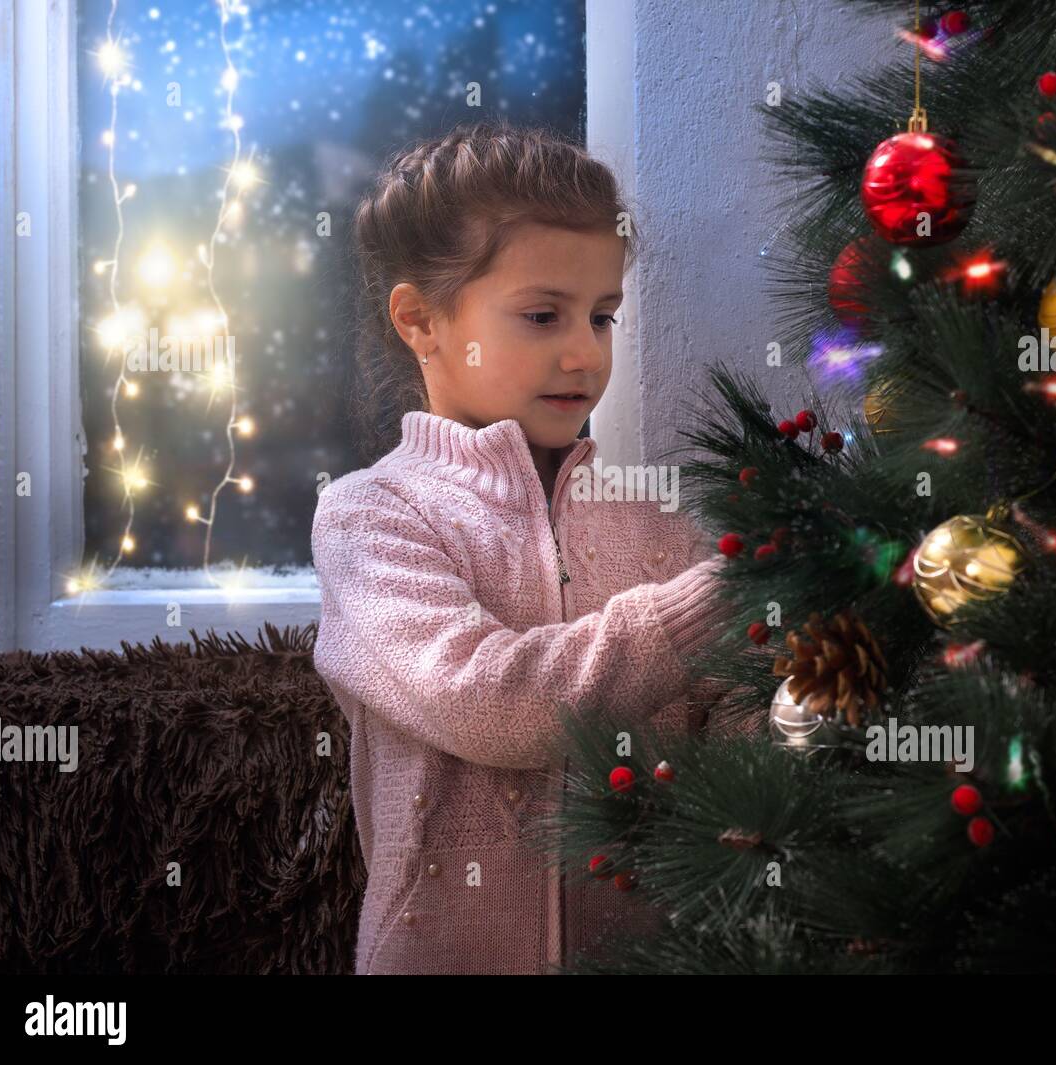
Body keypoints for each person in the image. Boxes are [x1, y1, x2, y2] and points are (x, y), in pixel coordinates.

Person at [311, 122, 737, 975]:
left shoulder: (654, 521)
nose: (585, 352)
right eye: (543, 315)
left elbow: (728, 728)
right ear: (421, 320)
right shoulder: (370, 519)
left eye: (603, 316)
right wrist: (715, 601)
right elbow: (488, 704)